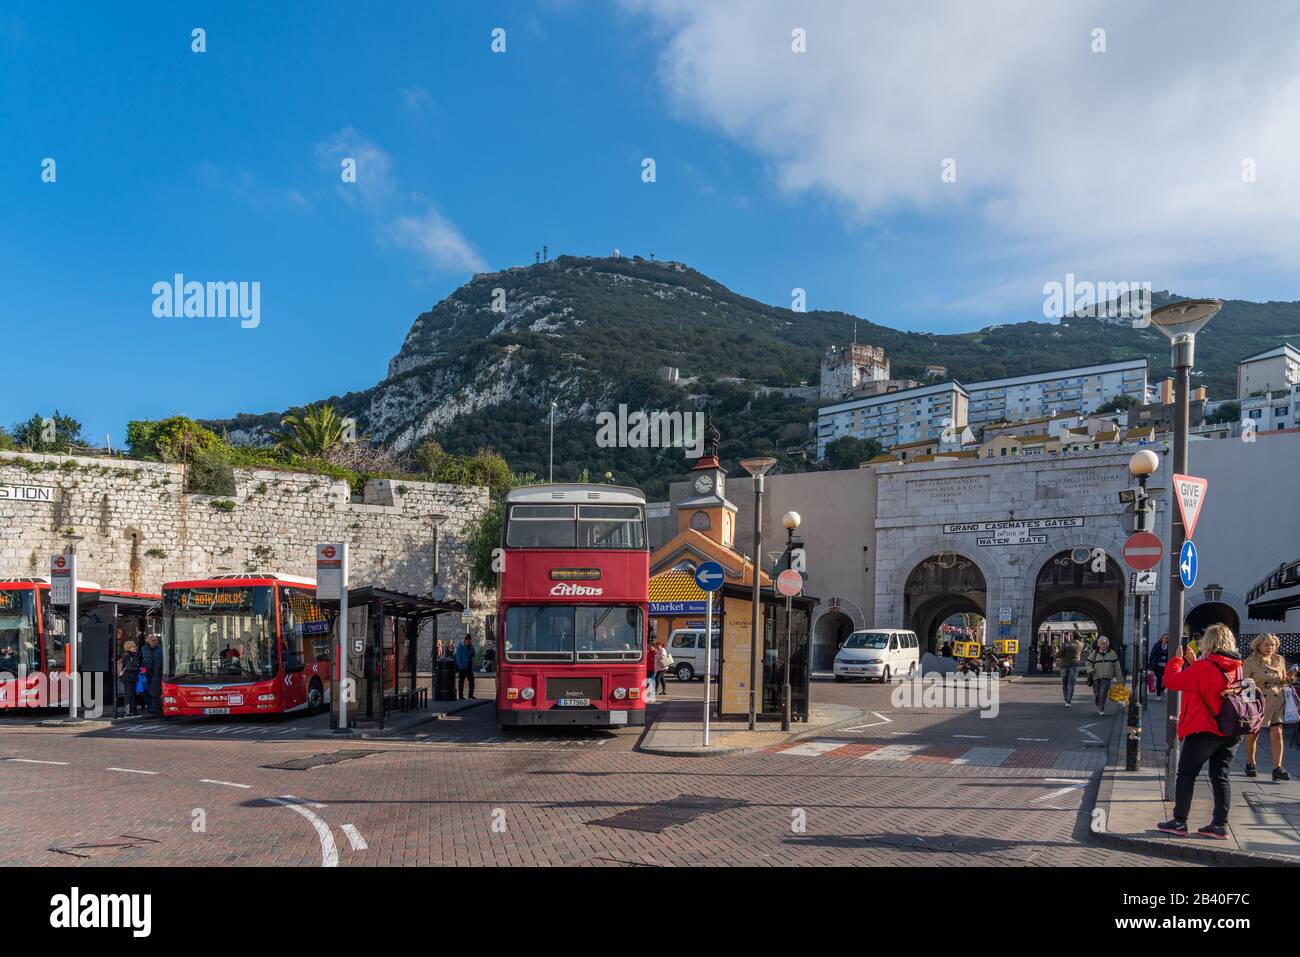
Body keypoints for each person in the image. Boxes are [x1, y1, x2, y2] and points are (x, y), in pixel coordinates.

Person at [1157, 623, 1246, 840]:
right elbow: (1214, 684)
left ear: (1209, 642)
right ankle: (1219, 825)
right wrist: (1194, 663)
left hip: (1204, 729)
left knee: (1187, 773)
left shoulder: (1203, 666)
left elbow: (1171, 681)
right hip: (1231, 730)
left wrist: (1177, 660)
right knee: (1221, 776)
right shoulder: (1236, 666)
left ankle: (1179, 822)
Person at [1243, 633, 1290, 781]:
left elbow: (1282, 681)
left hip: (1277, 701)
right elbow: (1246, 684)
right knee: (1253, 734)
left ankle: (1277, 768)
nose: (1270, 647)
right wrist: (1248, 705)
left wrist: (1289, 679)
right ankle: (1250, 763)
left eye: (1273, 645)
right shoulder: (1250, 661)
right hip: (1258, 701)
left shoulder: (1280, 660)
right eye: (1267, 645)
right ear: (1259, 646)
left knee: (1277, 734)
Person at [1087, 636, 1122, 716]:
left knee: (1103, 693)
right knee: (1097, 693)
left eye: (1105, 644)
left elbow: (1117, 667)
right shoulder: (1094, 653)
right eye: (1102, 644)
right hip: (1096, 677)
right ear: (1099, 644)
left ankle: (1101, 709)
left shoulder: (1112, 653)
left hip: (1107, 677)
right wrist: (1090, 669)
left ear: (1107, 644)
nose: (1103, 645)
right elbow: (1088, 663)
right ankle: (1099, 703)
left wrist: (1120, 680)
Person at [1057, 632, 1084, 708]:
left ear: (1072, 636)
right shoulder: (1081, 644)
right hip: (1075, 665)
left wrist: (1055, 655)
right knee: (1072, 684)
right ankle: (1069, 700)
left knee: (1064, 683)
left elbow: (1059, 653)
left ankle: (1066, 699)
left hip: (1064, 665)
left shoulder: (1066, 644)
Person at [140, 632, 164, 717]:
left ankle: (153, 707)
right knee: (147, 691)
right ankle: (150, 706)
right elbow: (140, 662)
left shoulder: (160, 649)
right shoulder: (143, 649)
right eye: (152, 640)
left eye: (155, 640)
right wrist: (143, 673)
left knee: (155, 692)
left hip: (157, 674)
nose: (154, 641)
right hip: (146, 674)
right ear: (148, 641)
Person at [118, 640, 141, 716]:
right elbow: (129, 668)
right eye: (133, 646)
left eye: (135, 646)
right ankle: (126, 711)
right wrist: (139, 669)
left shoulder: (134, 655)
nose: (135, 648)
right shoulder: (127, 656)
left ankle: (133, 711)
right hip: (128, 678)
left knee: (132, 694)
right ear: (129, 647)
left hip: (132, 677)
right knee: (129, 694)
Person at [1148, 634, 1170, 699]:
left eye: (1167, 638)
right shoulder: (1157, 645)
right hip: (1158, 666)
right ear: (1162, 638)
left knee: (1167, 680)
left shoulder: (1169, 646)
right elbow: (1152, 655)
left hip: (1166, 666)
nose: (1166, 640)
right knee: (1159, 680)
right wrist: (1151, 667)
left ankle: (1161, 689)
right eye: (1165, 638)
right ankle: (1158, 695)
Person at [454, 635, 475, 700]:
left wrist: (472, 648)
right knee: (461, 681)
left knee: (471, 680)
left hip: (469, 666)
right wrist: (460, 666)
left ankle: (470, 695)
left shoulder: (470, 647)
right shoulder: (461, 646)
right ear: (465, 641)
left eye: (469, 641)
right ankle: (461, 696)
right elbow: (458, 657)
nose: (468, 643)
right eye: (467, 641)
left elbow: (473, 654)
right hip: (463, 666)